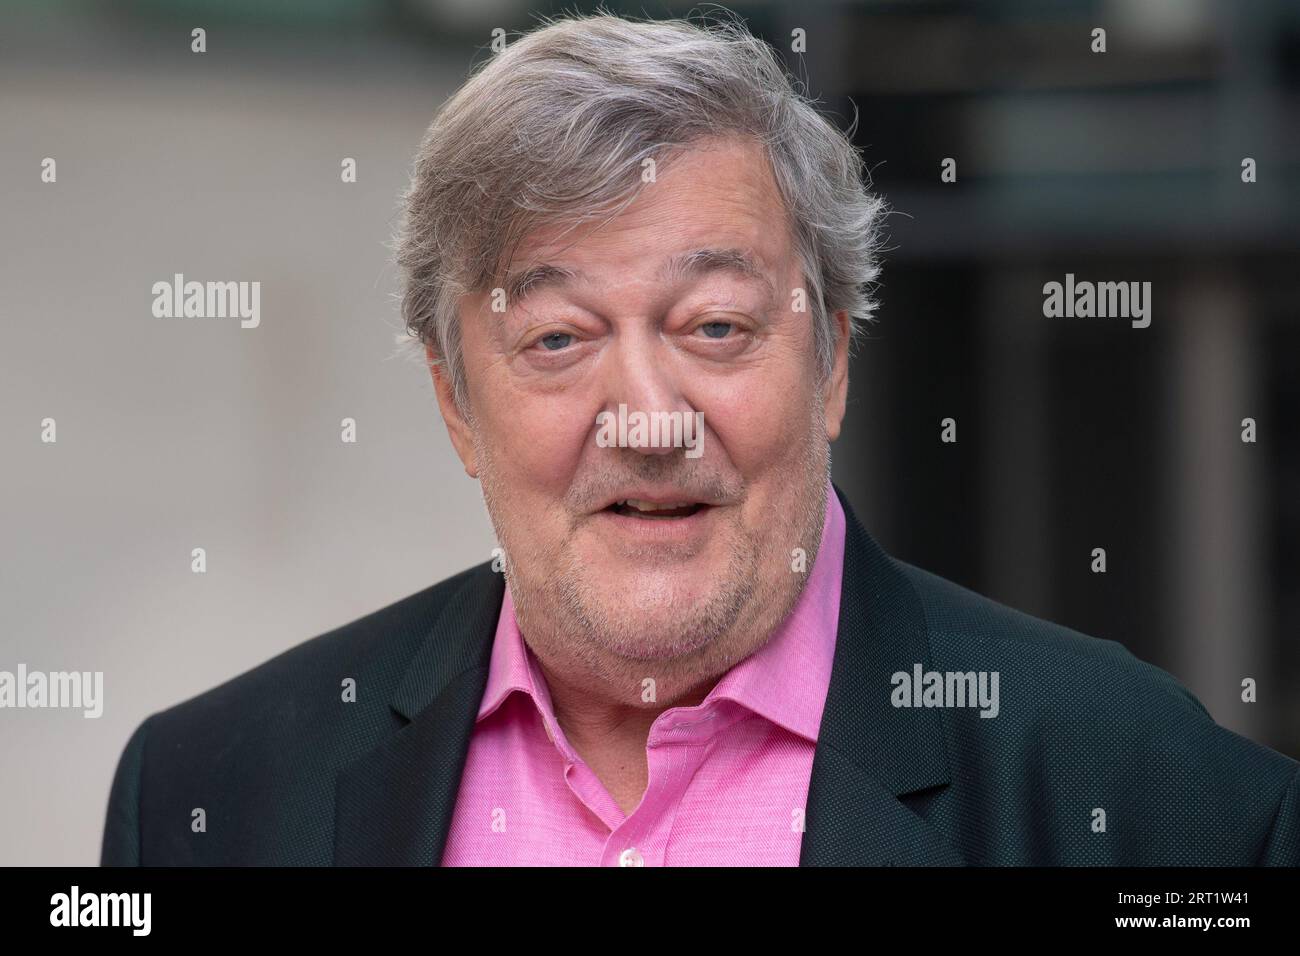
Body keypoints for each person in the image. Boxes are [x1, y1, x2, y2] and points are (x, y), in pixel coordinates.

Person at [102, 11, 1299, 867]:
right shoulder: (212, 795)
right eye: (559, 338)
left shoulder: (1152, 797)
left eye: (716, 324)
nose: (648, 418)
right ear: (455, 401)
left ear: (830, 361)